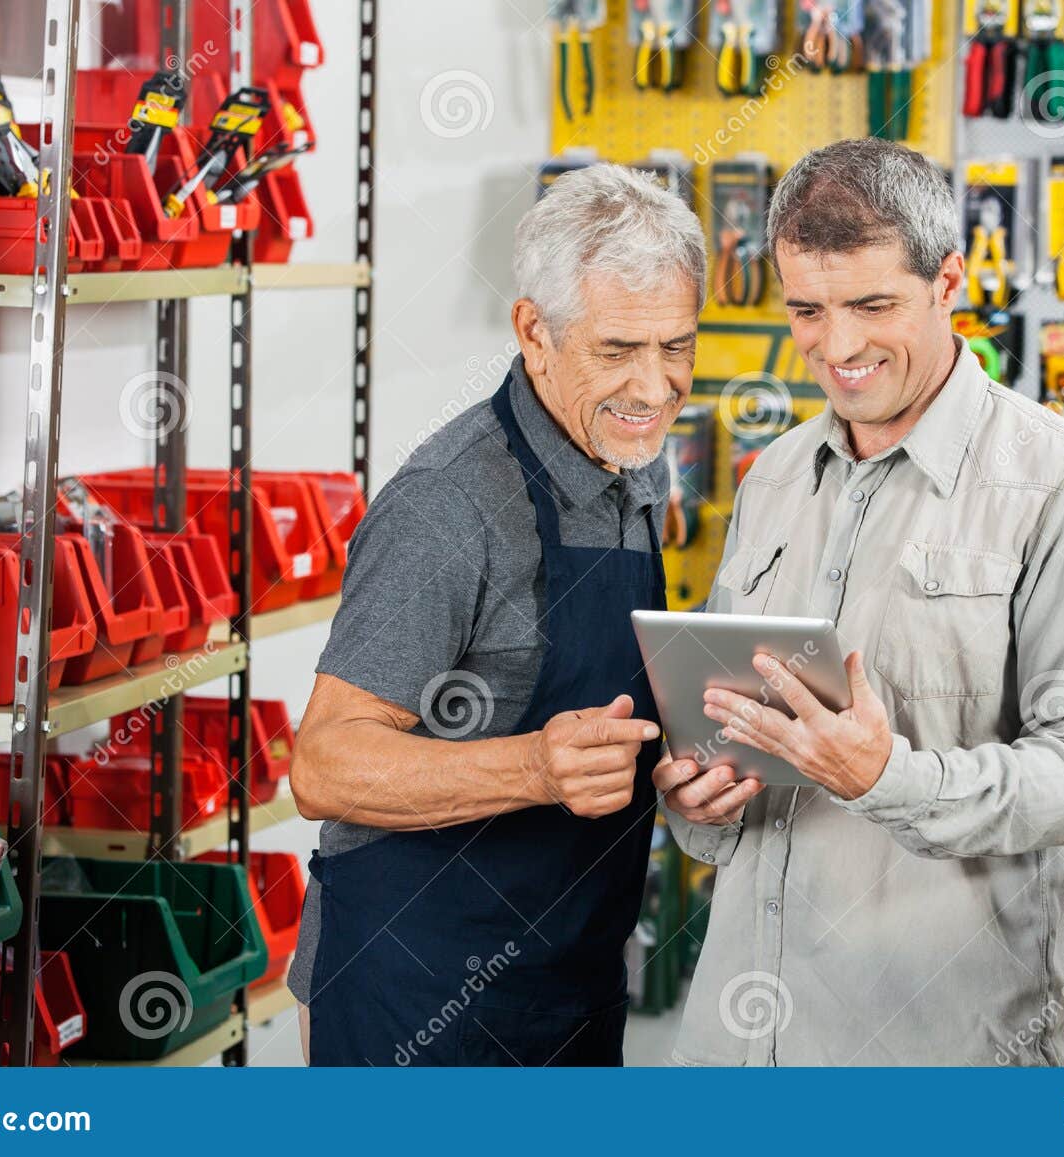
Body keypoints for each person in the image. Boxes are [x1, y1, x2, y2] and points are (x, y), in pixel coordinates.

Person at [656, 138, 1064, 1066]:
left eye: (873, 305)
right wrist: (697, 797)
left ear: (948, 279)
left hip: (932, 1053)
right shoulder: (775, 480)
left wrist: (888, 778)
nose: (837, 347)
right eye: (808, 309)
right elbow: (718, 743)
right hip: (734, 1043)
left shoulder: (1063, 481)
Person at [287, 164, 706, 1066]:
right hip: (413, 995)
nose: (655, 385)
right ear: (534, 332)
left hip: (571, 987)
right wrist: (535, 767)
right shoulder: (448, 504)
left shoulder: (634, 465)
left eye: (677, 346)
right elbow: (323, 763)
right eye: (620, 348)